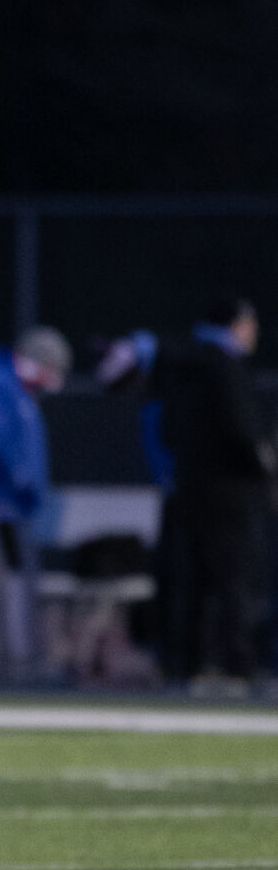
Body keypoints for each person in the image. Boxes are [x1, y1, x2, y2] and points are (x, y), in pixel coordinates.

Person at [149, 297, 272, 695]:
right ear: (236, 325)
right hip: (232, 494)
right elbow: (243, 432)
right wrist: (263, 468)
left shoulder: (181, 366)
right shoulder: (226, 367)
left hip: (189, 488)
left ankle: (185, 667)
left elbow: (166, 431)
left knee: (193, 581)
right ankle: (239, 667)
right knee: (235, 581)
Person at [0, 326, 71, 685]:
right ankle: (8, 664)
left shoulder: (11, 386)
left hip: (11, 504)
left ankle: (16, 661)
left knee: (14, 583)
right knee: (6, 585)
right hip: (1, 504)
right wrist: (22, 480)